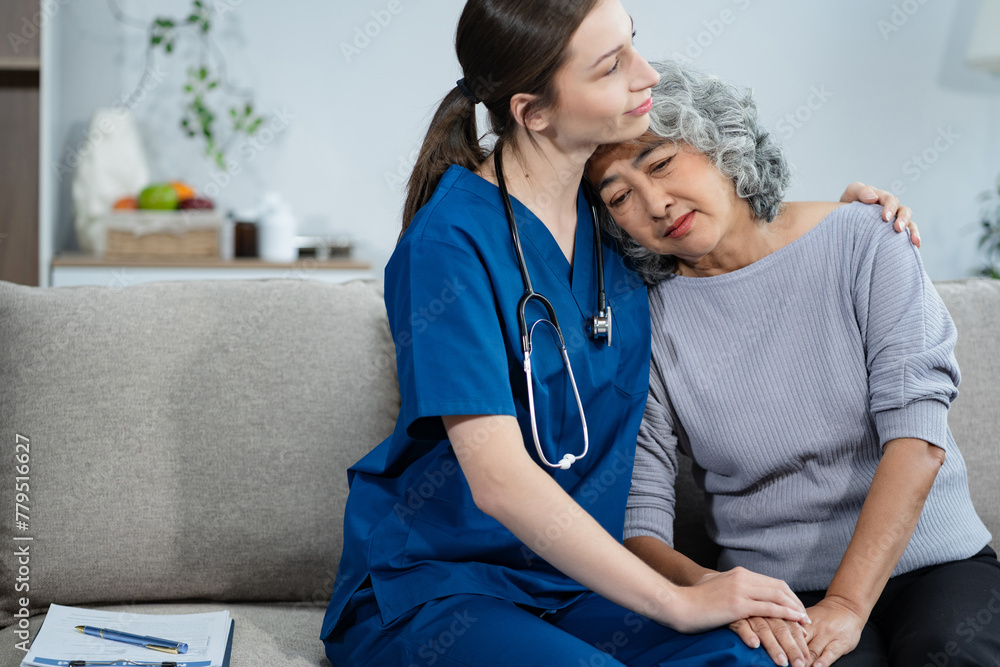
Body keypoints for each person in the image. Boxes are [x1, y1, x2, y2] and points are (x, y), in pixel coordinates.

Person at [322, 2, 915, 665]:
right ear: (534, 112)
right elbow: (497, 480)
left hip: (578, 587)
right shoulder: (451, 242)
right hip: (442, 587)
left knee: (759, 659)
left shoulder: (615, 217)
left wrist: (854, 215)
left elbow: (734, 236)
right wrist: (680, 599)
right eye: (611, 66)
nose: (647, 75)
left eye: (634, 46)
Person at [585, 59, 1000, 667]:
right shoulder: (646, 321)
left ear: (717, 140)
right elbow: (639, 519)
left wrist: (850, 607)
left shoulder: (866, 239)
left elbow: (918, 440)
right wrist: (713, 590)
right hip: (778, 597)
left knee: (948, 652)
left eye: (661, 162)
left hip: (935, 564)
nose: (654, 201)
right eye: (620, 196)